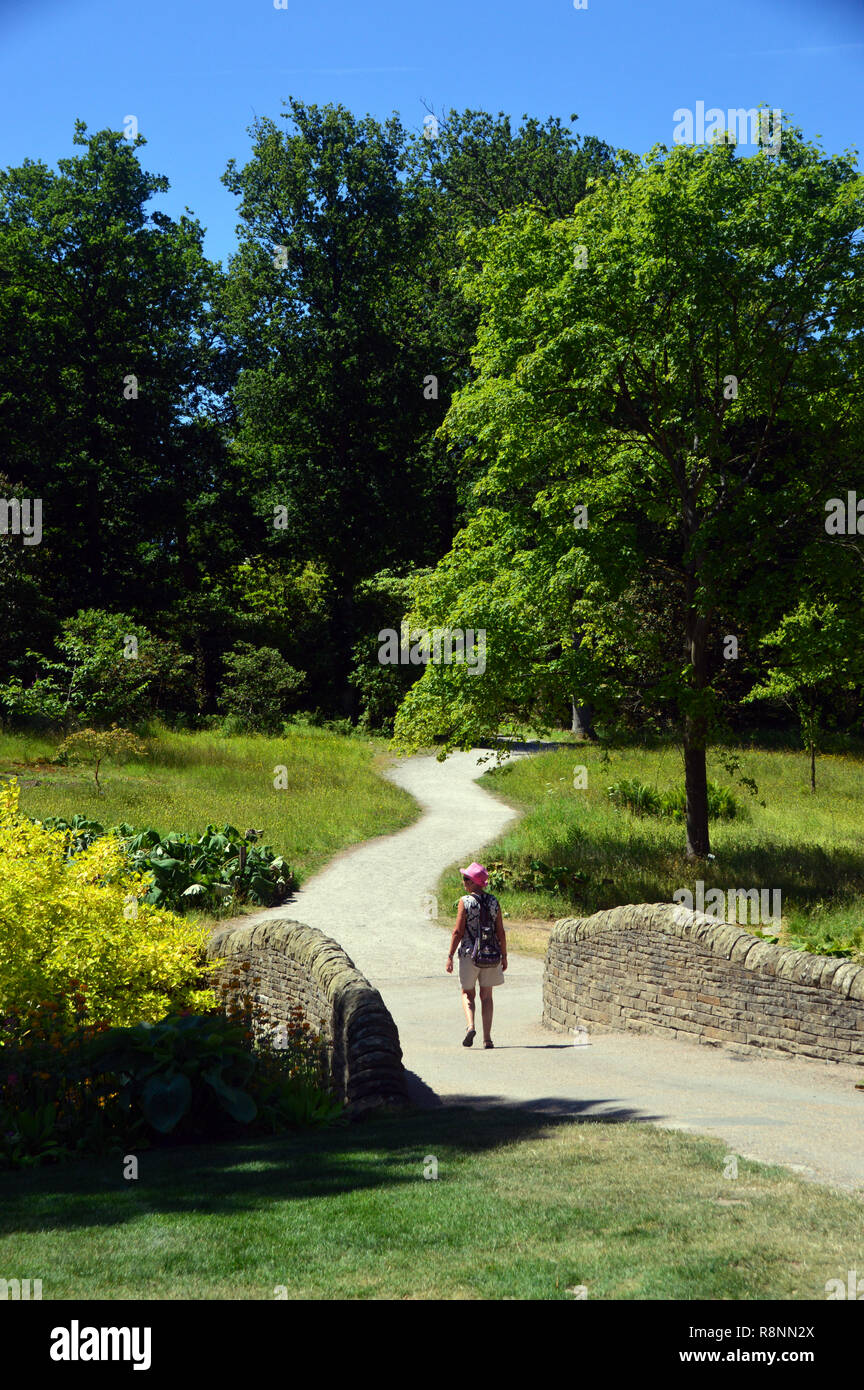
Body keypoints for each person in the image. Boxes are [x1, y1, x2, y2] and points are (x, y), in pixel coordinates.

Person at [445, 861, 507, 1049]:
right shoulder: (494, 901)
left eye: (466, 879)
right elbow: (501, 931)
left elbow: (458, 931)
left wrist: (449, 955)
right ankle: (487, 1039)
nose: (463, 882)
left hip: (469, 953)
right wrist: (504, 955)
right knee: (486, 995)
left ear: (473, 883)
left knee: (467, 993)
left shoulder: (465, 902)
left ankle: (471, 1026)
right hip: (491, 953)